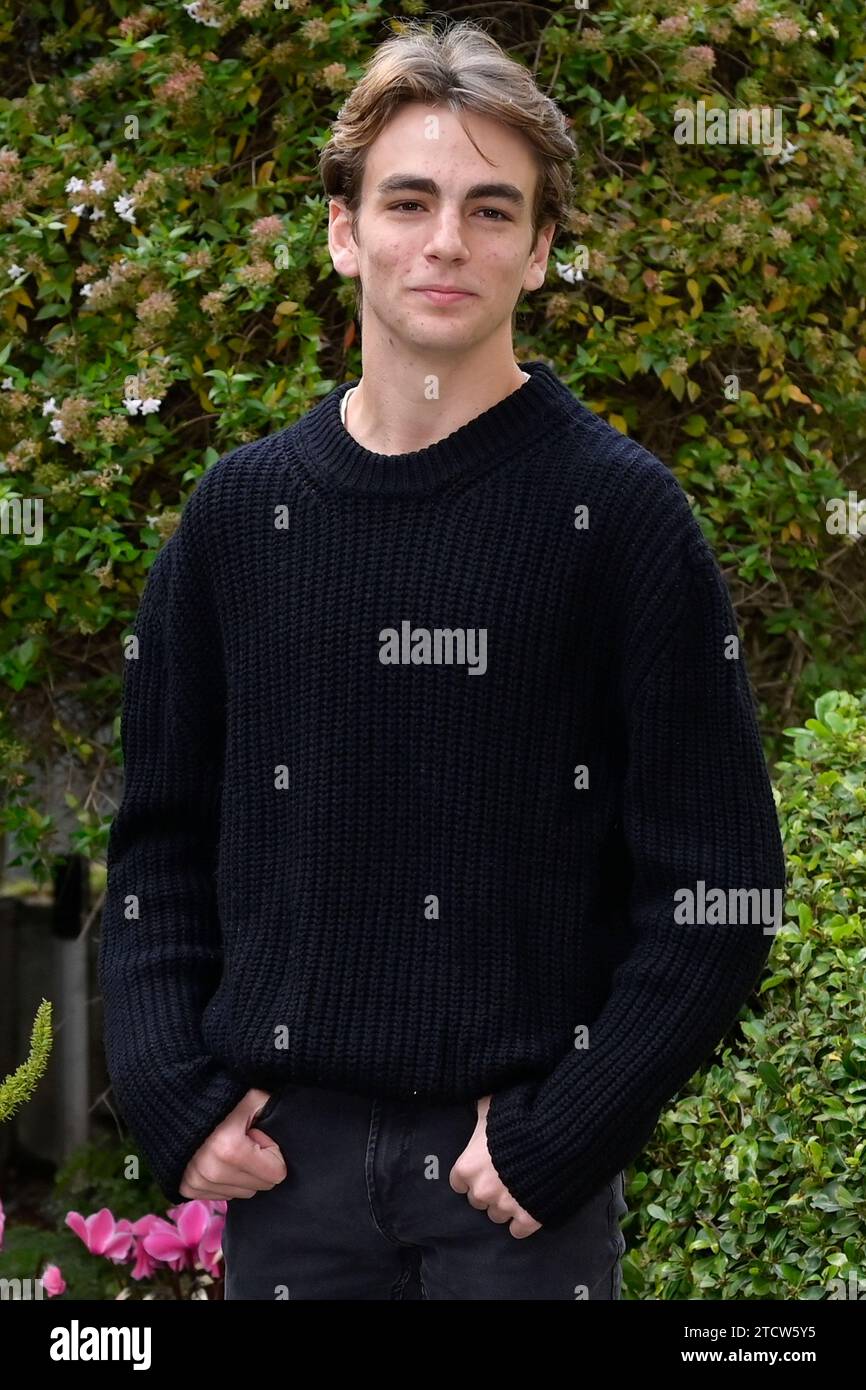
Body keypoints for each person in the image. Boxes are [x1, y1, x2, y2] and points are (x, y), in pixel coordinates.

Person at [99, 19, 786, 1301]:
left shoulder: (619, 518)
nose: (444, 240)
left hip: (510, 1196)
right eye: (407, 200)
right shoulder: (242, 520)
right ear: (342, 231)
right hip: (281, 1173)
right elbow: (159, 846)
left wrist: (565, 1130)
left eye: (489, 209)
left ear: (536, 250)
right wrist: (168, 1092)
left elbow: (723, 890)